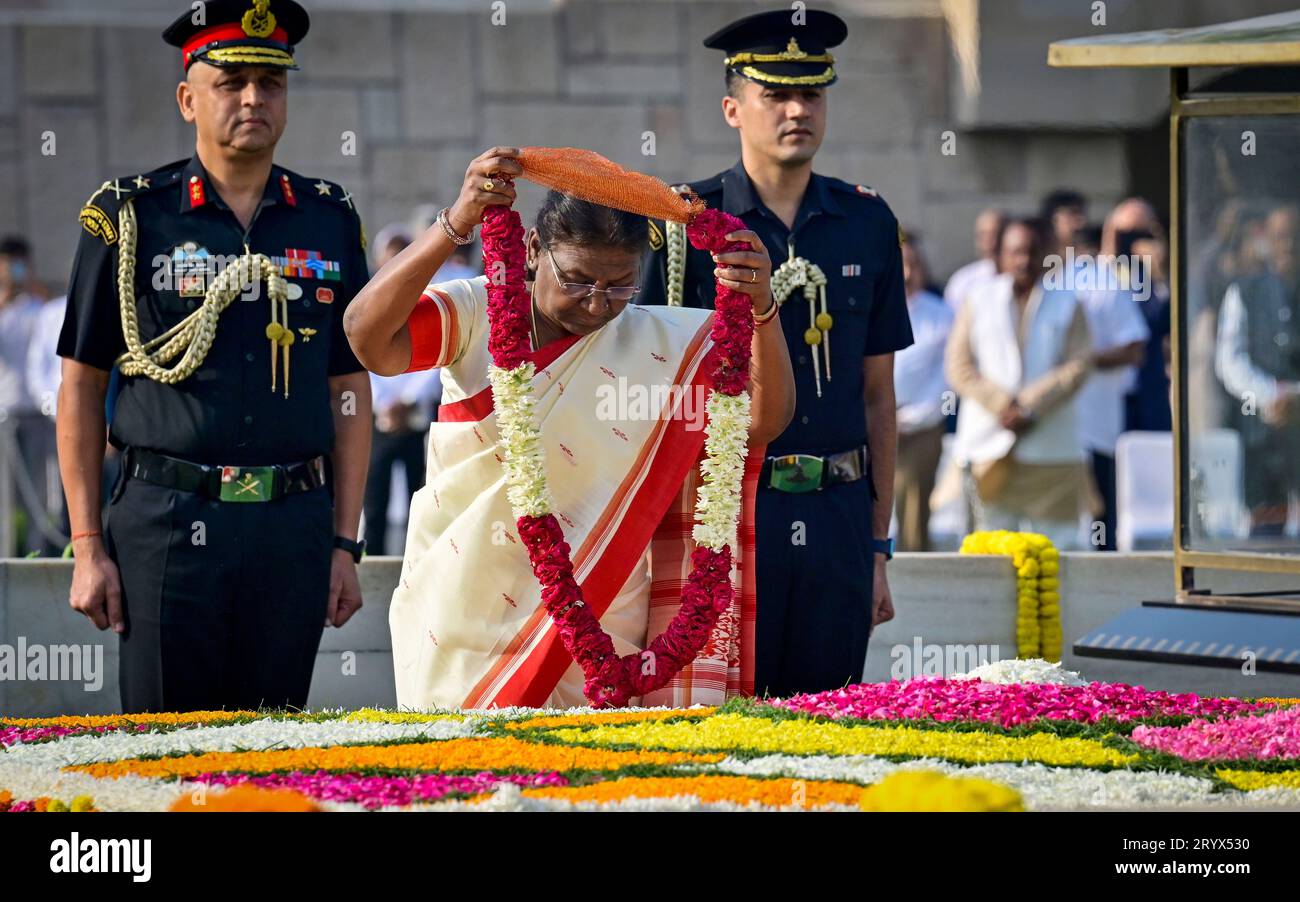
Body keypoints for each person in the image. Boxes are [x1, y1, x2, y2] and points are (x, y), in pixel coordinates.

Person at [343, 148, 795, 709]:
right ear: (533, 250)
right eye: (577, 280)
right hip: (466, 604)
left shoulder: (659, 342)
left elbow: (761, 421)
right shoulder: (478, 311)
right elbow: (368, 340)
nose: (598, 303)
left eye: (620, 284)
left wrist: (762, 310)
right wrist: (455, 222)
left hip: (601, 610)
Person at [57, 0, 370, 713]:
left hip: (291, 524)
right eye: (231, 82)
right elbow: (79, 385)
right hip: (166, 519)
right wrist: (85, 547)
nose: (254, 98)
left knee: (274, 745)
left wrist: (344, 544)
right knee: (164, 747)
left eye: (272, 81)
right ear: (187, 98)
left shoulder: (328, 216)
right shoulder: (130, 216)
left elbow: (349, 389)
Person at [639, 9, 914, 698]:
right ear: (734, 109)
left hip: (838, 510)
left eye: (813, 94)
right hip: (729, 512)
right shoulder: (687, 224)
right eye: (777, 96)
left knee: (831, 714)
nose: (798, 110)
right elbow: (651, 386)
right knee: (723, 718)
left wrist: (878, 548)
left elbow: (879, 394)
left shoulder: (867, 220)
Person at [946, 217, 1092, 549]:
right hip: (988, 444)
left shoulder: (1069, 300)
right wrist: (1002, 405)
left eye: (1032, 251)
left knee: (1058, 549)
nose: (1024, 260)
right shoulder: (977, 298)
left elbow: (1080, 365)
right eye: (1015, 252)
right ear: (1000, 255)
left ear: (1046, 254)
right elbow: (959, 366)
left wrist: (1029, 408)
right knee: (990, 548)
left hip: (1051, 450)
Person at [1215, 204, 1300, 537]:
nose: (1289, 245)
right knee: (1265, 525)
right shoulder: (1243, 290)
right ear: (1268, 240)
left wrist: (1295, 397)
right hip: (1260, 430)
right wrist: (1270, 395)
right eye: (1281, 237)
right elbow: (1229, 359)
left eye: (1295, 237)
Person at [363, 225, 442, 556]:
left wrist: (407, 400)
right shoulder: (365, 299)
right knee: (374, 493)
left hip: (414, 417)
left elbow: (438, 356)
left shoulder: (430, 299)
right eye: (389, 257)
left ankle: (416, 560)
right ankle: (375, 561)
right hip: (379, 416)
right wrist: (384, 403)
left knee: (419, 491)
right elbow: (359, 351)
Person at [1072, 220, 1149, 551]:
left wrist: (1080, 364)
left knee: (1099, 517)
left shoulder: (1105, 284)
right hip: (1056, 426)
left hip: (1095, 423)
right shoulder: (1048, 284)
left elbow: (1134, 349)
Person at [0, 236, 60, 556]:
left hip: (37, 415)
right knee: (5, 496)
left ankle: (34, 554)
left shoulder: (39, 308)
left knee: (39, 493)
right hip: (5, 416)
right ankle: (6, 555)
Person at [894, 232, 952, 551]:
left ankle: (913, 570)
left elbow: (946, 380)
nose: (907, 273)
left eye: (914, 264)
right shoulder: (875, 309)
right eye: (901, 264)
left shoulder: (941, 313)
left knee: (915, 508)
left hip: (923, 428)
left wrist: (911, 419)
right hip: (875, 421)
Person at [943, 207, 1004, 313]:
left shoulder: (1021, 278)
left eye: (995, 234)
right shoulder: (963, 281)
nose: (990, 242)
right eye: (983, 235)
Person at [1041, 189, 1088, 258]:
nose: (1081, 220)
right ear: (1053, 219)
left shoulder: (1093, 259)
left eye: (1082, 214)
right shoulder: (1036, 259)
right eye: (1073, 213)